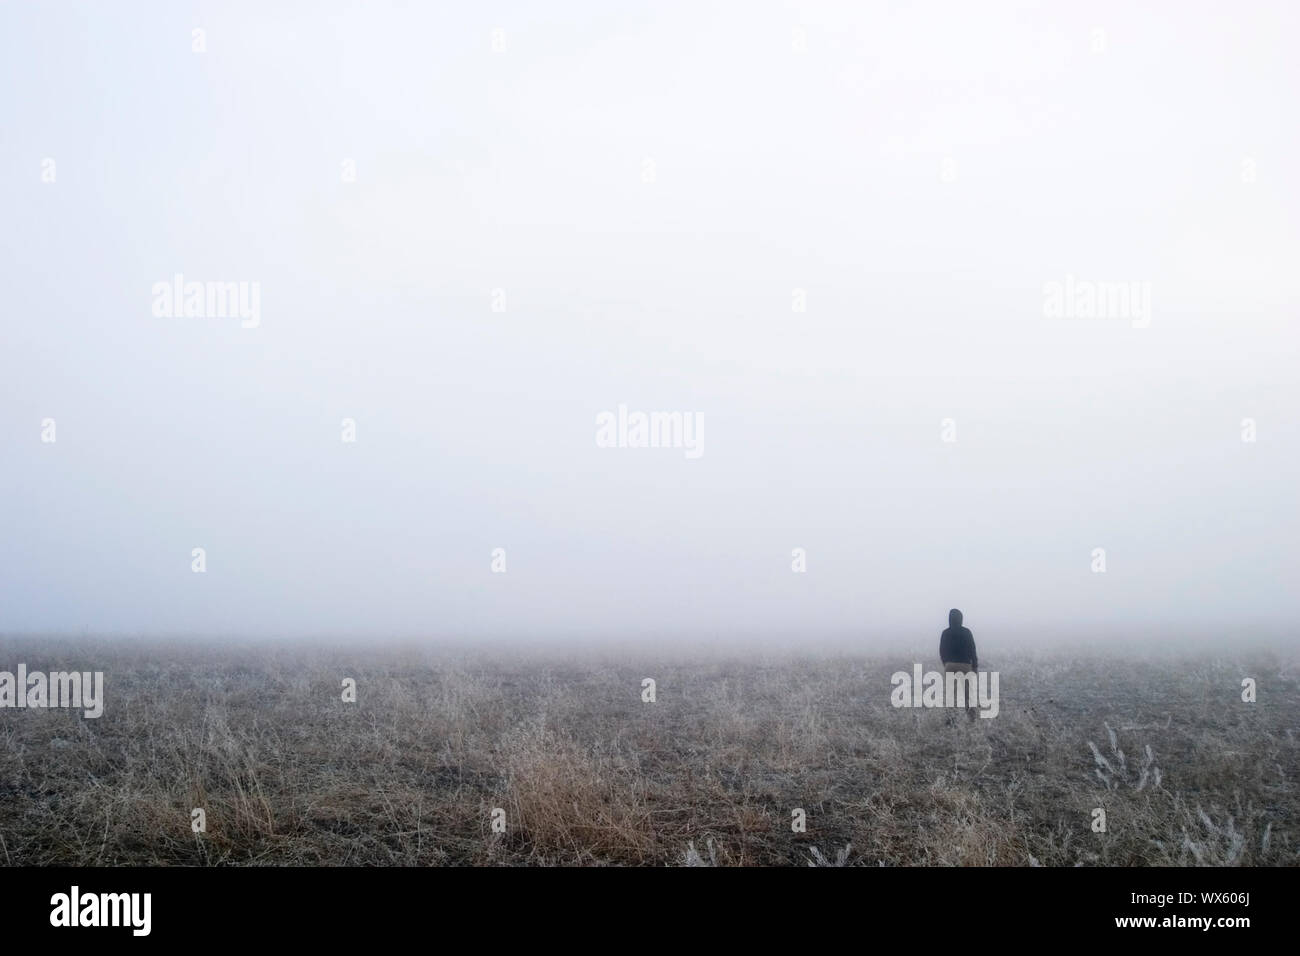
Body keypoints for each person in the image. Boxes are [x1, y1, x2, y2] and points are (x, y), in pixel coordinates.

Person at [939, 608, 978, 721]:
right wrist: (975, 666)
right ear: (961, 619)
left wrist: (946, 663)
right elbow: (972, 649)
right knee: (968, 694)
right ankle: (972, 720)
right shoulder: (966, 632)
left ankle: (951, 720)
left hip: (950, 665)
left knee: (951, 694)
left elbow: (942, 650)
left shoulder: (945, 632)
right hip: (965, 665)